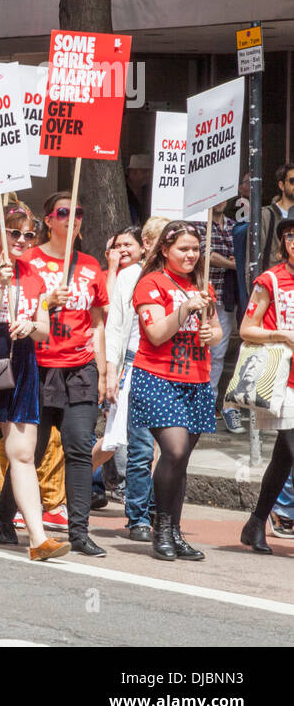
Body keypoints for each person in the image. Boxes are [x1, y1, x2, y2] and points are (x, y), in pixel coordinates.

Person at [0, 191, 109, 557]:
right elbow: (12, 306)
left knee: (79, 447)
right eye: (63, 212)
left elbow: (96, 322)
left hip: (80, 368)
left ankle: (79, 532)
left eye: (78, 212)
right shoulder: (28, 259)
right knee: (32, 449)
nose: (71, 218)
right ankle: (5, 515)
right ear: (48, 219)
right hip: (38, 367)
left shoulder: (91, 265)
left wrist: (104, 370)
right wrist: (47, 303)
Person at [0, 203, 69, 559]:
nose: (21, 240)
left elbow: (44, 331)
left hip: (22, 362)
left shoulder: (35, 276)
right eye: (14, 232)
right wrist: (0, 288)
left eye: (28, 234)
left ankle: (38, 539)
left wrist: (31, 326)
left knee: (22, 453)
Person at [129, 221, 222, 561]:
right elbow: (155, 334)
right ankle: (161, 528)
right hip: (157, 377)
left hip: (196, 379)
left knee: (181, 461)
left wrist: (214, 334)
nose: (191, 255)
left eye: (195, 249)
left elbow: (214, 330)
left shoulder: (202, 284)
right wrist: (183, 308)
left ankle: (176, 532)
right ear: (165, 250)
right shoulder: (151, 283)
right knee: (175, 449)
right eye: (183, 248)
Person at [102, 218, 164, 541]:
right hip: (135, 361)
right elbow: (114, 326)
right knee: (135, 445)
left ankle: (159, 512)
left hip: (169, 368)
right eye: (153, 239)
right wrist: (111, 370)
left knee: (166, 449)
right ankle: (137, 515)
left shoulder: (181, 279)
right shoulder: (130, 276)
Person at [238, 219, 294, 553]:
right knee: (291, 447)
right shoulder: (270, 280)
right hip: (282, 377)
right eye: (290, 236)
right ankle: (259, 521)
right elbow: (247, 328)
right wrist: (281, 335)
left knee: (284, 457)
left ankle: (256, 521)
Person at [191, 200, 241, 433]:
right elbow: (205, 255)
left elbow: (241, 251)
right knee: (202, 348)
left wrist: (234, 263)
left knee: (219, 353)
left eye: (224, 196)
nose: (221, 201)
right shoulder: (199, 226)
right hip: (204, 295)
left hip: (228, 296)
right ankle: (198, 401)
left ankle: (209, 402)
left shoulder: (234, 225)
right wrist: (234, 264)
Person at [257, 163, 294, 270]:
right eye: (292, 181)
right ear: (281, 185)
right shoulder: (265, 215)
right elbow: (253, 260)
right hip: (273, 283)